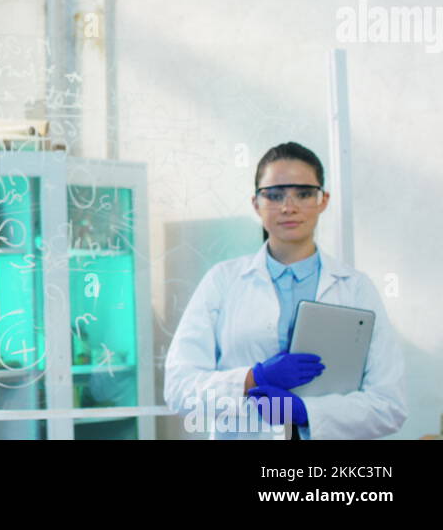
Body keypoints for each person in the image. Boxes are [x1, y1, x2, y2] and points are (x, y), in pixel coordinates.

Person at [163, 142, 407, 439]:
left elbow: (389, 404)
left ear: (323, 200)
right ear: (256, 204)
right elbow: (179, 390)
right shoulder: (222, 281)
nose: (288, 207)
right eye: (274, 195)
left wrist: (308, 413)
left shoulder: (355, 287)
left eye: (304, 194)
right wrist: (254, 378)